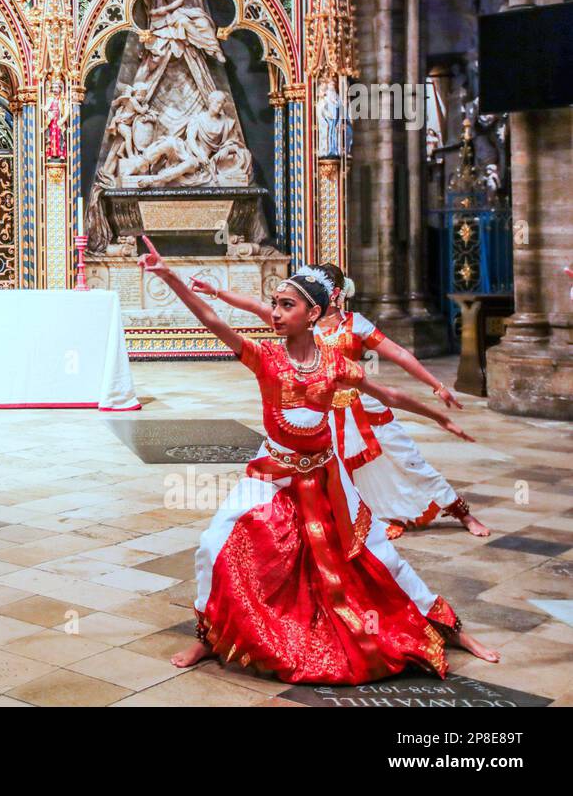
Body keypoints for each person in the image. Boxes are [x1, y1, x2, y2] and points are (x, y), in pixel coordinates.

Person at [136, 239, 499, 680]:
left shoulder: (335, 365)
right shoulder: (264, 356)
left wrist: (438, 415)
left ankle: (449, 628)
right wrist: (170, 275)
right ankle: (208, 636)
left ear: (312, 314)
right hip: (272, 473)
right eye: (273, 303)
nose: (274, 312)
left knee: (381, 556)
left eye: (285, 305)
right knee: (214, 544)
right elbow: (212, 319)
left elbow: (389, 394)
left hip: (327, 476)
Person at [192, 263, 490, 538]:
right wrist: (214, 292)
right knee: (332, 473)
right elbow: (254, 305)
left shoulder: (355, 324)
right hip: (321, 411)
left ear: (335, 294)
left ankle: (461, 513)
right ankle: (353, 520)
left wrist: (436, 386)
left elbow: (397, 353)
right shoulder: (304, 323)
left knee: (409, 460)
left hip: (363, 405)